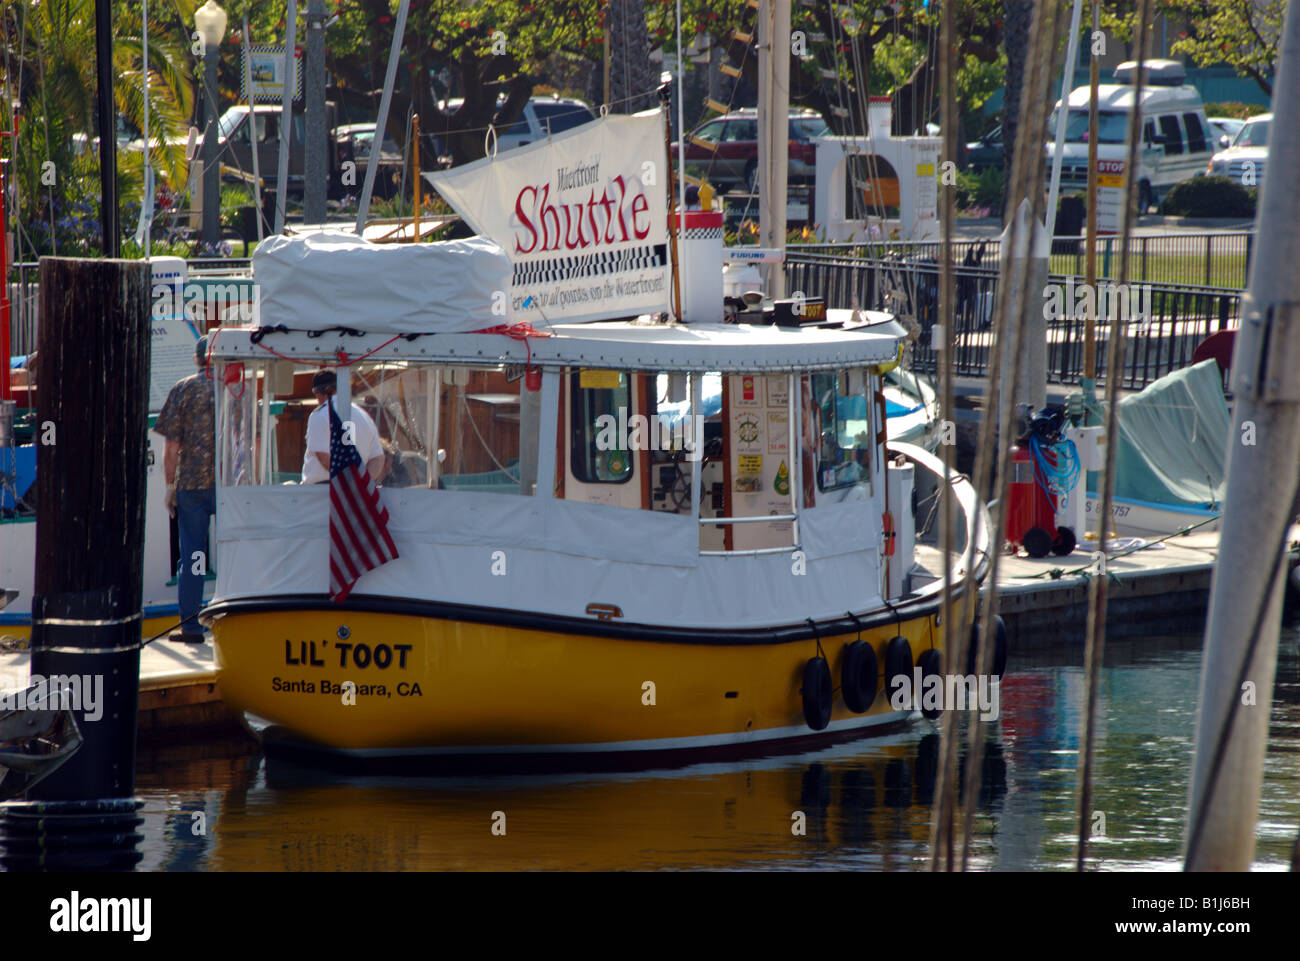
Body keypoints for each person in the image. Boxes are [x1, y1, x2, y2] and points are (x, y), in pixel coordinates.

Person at [152, 336, 215, 644]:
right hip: (230, 486)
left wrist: (168, 486)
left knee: (193, 556)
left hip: (191, 486)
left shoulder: (182, 389)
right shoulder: (235, 388)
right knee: (235, 553)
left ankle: (191, 627)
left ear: (196, 359)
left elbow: (171, 446)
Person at [302, 370, 383, 484]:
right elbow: (378, 459)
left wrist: (346, 483)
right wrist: (361, 484)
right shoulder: (364, 416)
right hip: (358, 491)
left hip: (322, 492)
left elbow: (323, 456)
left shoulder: (319, 415)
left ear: (318, 393)